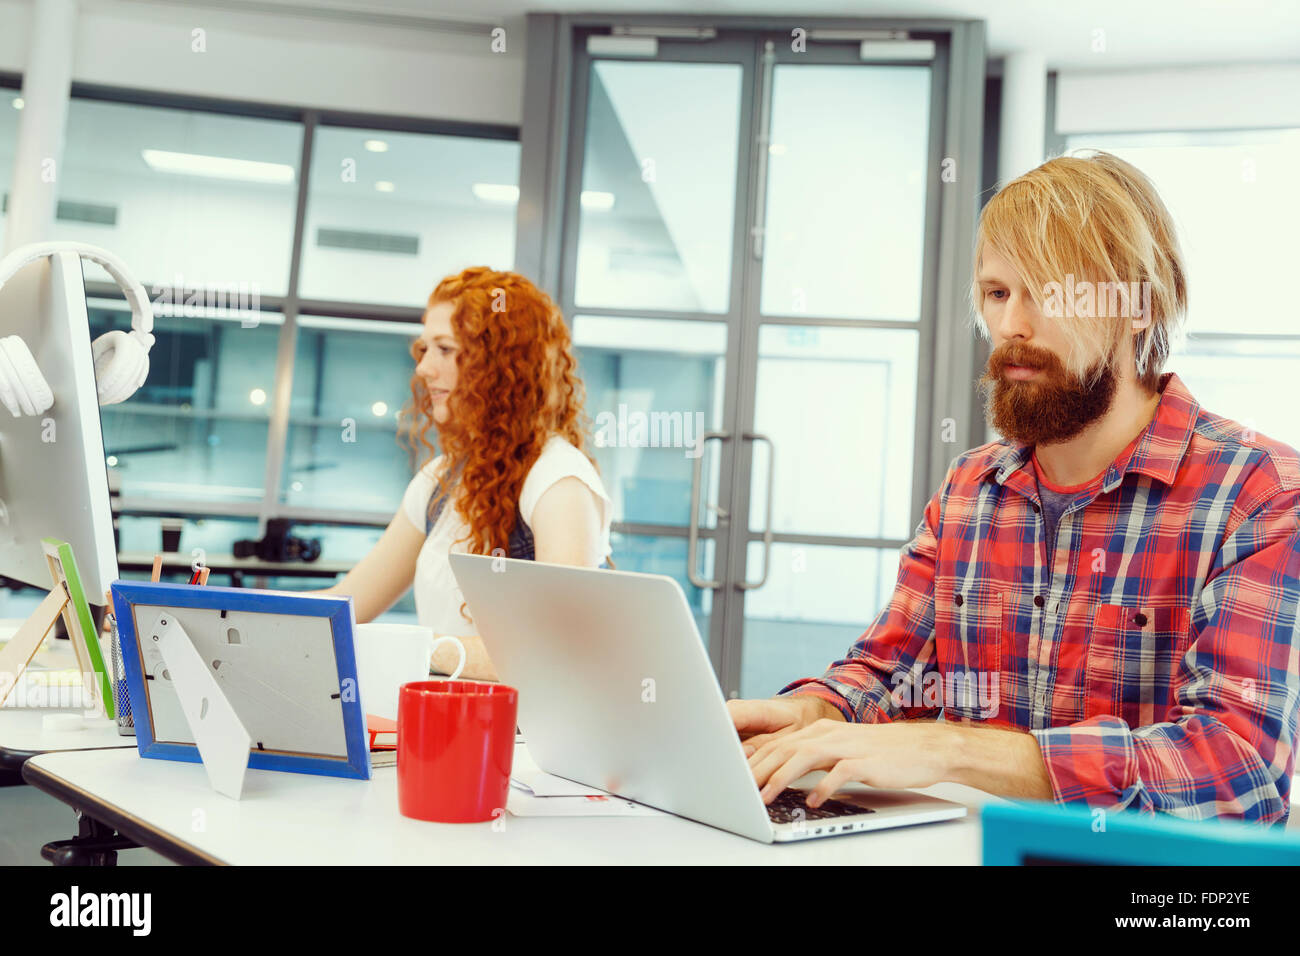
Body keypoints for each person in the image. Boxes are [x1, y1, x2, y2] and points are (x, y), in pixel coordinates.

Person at [730, 151, 1300, 824]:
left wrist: (951, 750)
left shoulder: (1256, 492)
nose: (1011, 327)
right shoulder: (970, 487)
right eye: (998, 293)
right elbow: (891, 675)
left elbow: (1235, 767)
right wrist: (808, 713)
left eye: (1049, 293)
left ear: (1138, 307)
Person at [323, 267, 613, 680]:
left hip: (522, 740)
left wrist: (416, 648)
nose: (423, 368)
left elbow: (558, 646)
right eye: (424, 349)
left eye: (444, 349)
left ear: (498, 364)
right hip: (451, 722)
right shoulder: (440, 478)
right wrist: (231, 612)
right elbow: (345, 604)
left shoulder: (557, 480)